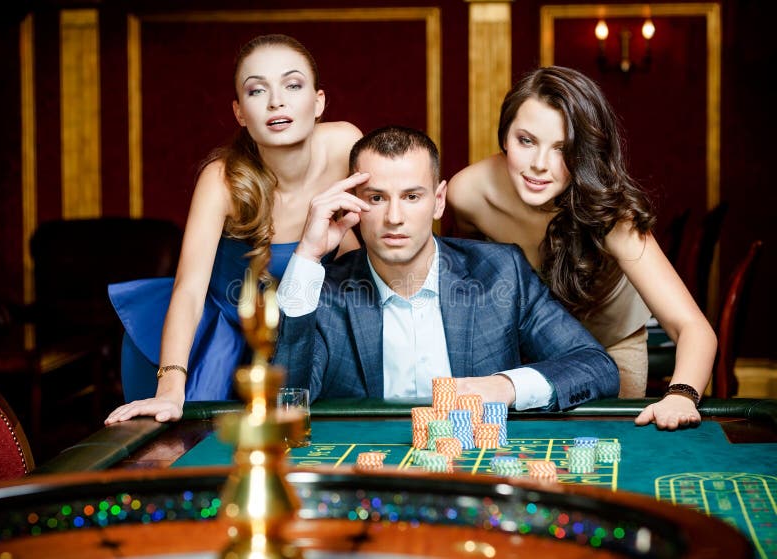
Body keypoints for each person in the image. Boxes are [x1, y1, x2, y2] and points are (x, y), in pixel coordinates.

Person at [105, 34, 362, 424]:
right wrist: (171, 387)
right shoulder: (221, 179)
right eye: (257, 91)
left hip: (299, 336)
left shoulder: (347, 144)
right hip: (212, 337)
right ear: (240, 112)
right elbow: (189, 289)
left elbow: (363, 240)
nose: (277, 101)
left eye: (293, 85)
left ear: (319, 101)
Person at [273, 125, 619, 410]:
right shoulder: (325, 289)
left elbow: (596, 367)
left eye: (412, 196)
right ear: (354, 203)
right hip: (371, 481)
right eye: (377, 198)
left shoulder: (501, 273)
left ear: (438, 201)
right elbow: (284, 404)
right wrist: (307, 255)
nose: (395, 218)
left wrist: (505, 386)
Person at [446, 66, 716, 429]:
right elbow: (466, 278)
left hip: (609, 347)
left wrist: (682, 394)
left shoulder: (610, 212)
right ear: (504, 138)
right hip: (526, 352)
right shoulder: (467, 194)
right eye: (526, 140)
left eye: (563, 149)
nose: (540, 165)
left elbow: (694, 327)